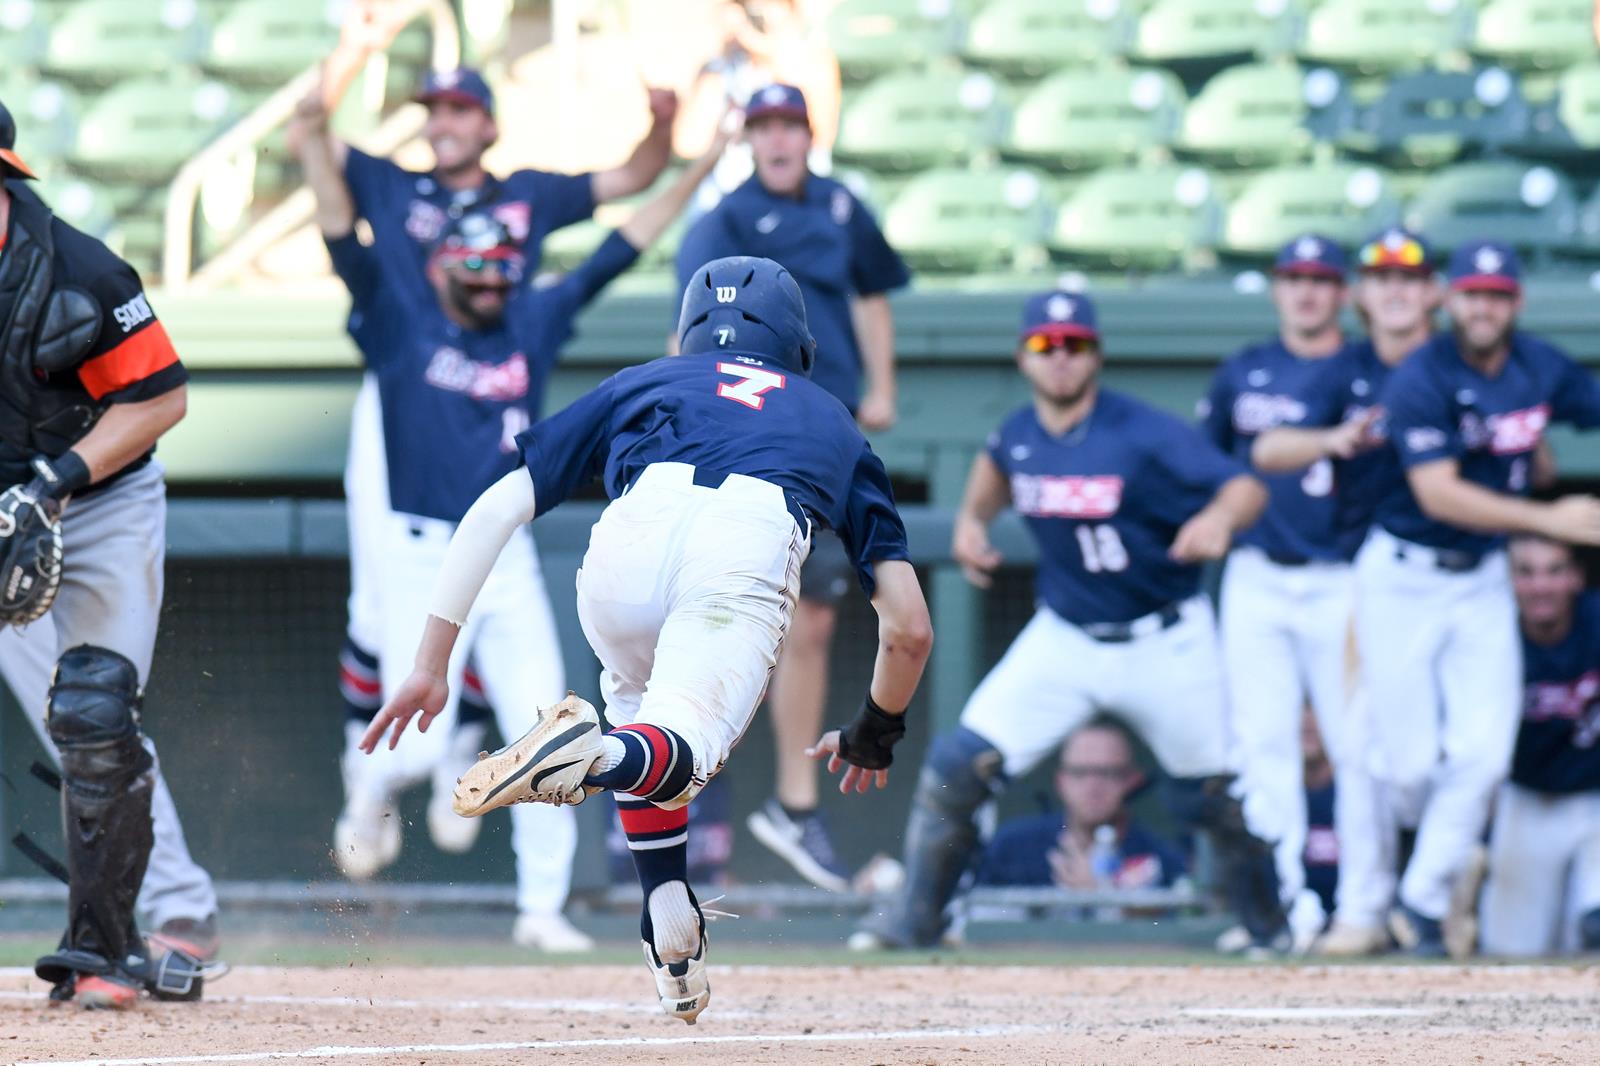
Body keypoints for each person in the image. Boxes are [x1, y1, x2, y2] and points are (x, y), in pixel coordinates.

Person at [360, 256, 933, 1024]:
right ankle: (585, 758)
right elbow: (910, 629)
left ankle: (667, 912)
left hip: (624, 551)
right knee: (683, 752)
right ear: (797, 342)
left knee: (645, 723)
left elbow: (495, 509)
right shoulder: (832, 419)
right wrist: (875, 730)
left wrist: (433, 664)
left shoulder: (645, 380)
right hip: (741, 549)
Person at [291, 84, 729, 951]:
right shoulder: (397, 317)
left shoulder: (531, 316)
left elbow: (620, 244)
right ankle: (375, 790)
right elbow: (341, 228)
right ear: (441, 264)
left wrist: (702, 163)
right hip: (420, 553)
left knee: (557, 725)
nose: (488, 279)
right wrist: (311, 140)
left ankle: (541, 908)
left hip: (507, 556)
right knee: (408, 751)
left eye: (501, 265)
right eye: (472, 265)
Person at [853, 290, 1287, 953]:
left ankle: (1269, 931)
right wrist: (971, 522)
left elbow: (1247, 485)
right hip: (1067, 635)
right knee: (959, 766)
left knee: (1210, 799)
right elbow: (995, 467)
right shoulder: (1018, 434)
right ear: (1023, 359)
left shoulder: (1143, 431)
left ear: (1097, 355)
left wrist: (1218, 519)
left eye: (1073, 346)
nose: (1059, 359)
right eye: (1044, 347)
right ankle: (918, 922)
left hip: (1163, 636)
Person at [1262, 239, 1600, 955]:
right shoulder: (1416, 373)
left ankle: (1419, 902)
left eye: (1498, 294)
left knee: (1483, 754)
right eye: (1473, 294)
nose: (1485, 306)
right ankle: (1385, 895)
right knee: (1404, 762)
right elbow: (1436, 491)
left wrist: (1535, 456)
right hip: (1400, 572)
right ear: (1451, 300)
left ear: (1517, 301)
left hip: (1479, 578)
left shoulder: (1538, 364)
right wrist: (1552, 516)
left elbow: (1583, 405)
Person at [0, 102, 218, 1009]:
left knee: (93, 711)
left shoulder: (79, 270)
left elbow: (161, 399)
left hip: (94, 500)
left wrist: (50, 481)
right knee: (83, 721)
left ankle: (121, 939)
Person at [675, 82, 909, 892]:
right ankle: (697, 796)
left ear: (811, 136)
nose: (778, 140)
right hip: (754, 444)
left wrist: (882, 382)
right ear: (748, 139)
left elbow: (872, 292)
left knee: (811, 618)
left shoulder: (841, 206)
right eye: (764, 126)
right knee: (730, 618)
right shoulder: (725, 220)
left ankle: (791, 806)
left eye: (790, 126)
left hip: (826, 437)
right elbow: (686, 334)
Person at [1251, 225, 1442, 954]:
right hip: (1345, 574)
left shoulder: (1458, 367)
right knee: (1325, 746)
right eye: (1380, 278)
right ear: (1361, 294)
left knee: (1403, 755)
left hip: (1421, 575)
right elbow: (1269, 448)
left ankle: (1401, 893)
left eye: (1410, 277)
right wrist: (1332, 438)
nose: (1395, 291)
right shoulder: (1343, 367)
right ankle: (1322, 911)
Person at [1199, 234, 1385, 954]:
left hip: (1343, 574)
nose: (1306, 290)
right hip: (1258, 570)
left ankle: (1363, 910)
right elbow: (1211, 461)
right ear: (1276, 286)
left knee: (1355, 746)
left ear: (1344, 291)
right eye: (1292, 276)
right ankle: (1281, 914)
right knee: (1261, 746)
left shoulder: (1368, 366)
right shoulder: (1244, 369)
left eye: (1321, 277)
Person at [1479, 535, 1600, 956]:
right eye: (1526, 573)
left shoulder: (1596, 620)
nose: (1541, 586)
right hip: (1525, 799)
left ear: (1576, 578)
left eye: (1554, 571)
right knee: (1510, 952)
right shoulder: (1484, 632)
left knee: (1595, 924)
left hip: (1595, 800)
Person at [975, 722, 1186, 892]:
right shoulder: (1012, 847)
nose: (1093, 786)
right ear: (1061, 781)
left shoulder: (1161, 858)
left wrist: (1102, 897)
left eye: (1108, 773)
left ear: (1132, 780)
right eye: (1080, 773)